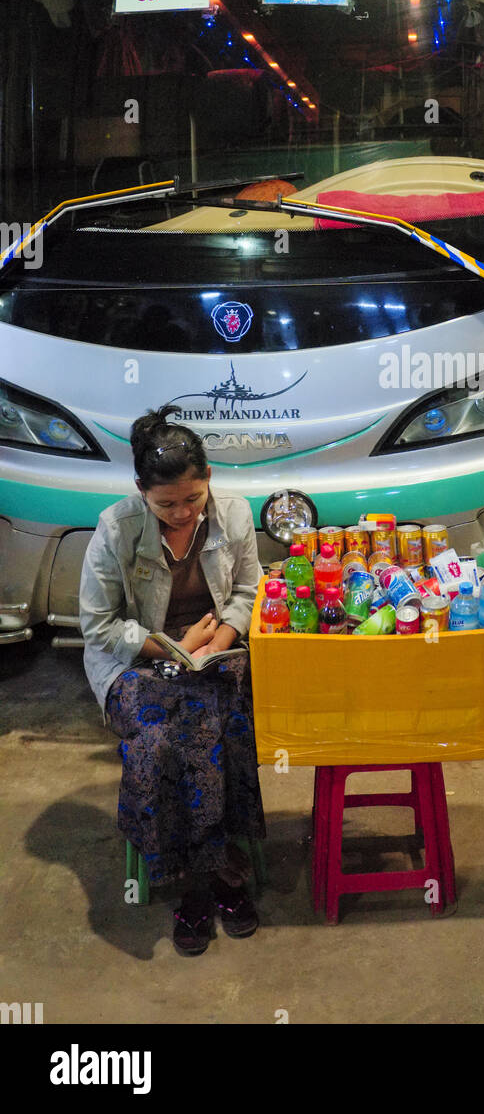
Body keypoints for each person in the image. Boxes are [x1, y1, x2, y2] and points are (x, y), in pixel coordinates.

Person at [79, 405, 266, 956]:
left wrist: (218, 642)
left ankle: (197, 882)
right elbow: (99, 625)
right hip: (135, 665)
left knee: (230, 728)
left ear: (209, 480)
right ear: (141, 491)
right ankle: (212, 880)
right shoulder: (116, 530)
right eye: (166, 504)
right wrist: (172, 648)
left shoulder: (234, 515)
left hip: (214, 653)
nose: (182, 513)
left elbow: (248, 594)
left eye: (193, 498)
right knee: (161, 743)